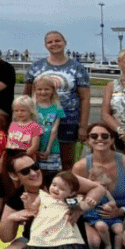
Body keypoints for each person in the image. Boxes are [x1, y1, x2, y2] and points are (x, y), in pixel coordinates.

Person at [0, 153, 105, 249]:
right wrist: (11, 219)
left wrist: (80, 209)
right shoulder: (19, 197)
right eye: (25, 171)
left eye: (35, 167)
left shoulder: (59, 180)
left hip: (68, 245)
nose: (33, 173)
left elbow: (98, 188)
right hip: (36, 246)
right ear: (14, 175)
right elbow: (5, 237)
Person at [70, 123, 125, 249]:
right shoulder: (80, 167)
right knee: (93, 243)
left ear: (112, 139)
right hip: (92, 217)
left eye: (104, 136)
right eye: (94, 136)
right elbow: (72, 196)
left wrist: (121, 211)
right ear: (88, 140)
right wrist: (81, 206)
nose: (99, 139)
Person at [24, 31, 91, 169]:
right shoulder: (36, 67)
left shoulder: (77, 68)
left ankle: (65, 183)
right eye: (50, 42)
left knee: (67, 161)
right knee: (38, 160)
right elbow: (27, 96)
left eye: (57, 41)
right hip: (41, 121)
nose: (54, 44)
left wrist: (83, 127)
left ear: (65, 43)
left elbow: (85, 98)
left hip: (69, 121)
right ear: (45, 45)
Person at [20, 171, 91, 249]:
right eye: (54, 185)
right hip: (44, 234)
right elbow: (32, 209)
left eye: (62, 188)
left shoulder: (70, 201)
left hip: (63, 236)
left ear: (71, 193)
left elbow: (82, 206)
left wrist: (88, 203)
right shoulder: (43, 196)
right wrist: (26, 202)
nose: (56, 189)